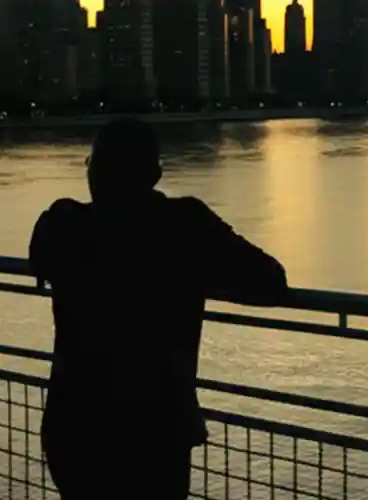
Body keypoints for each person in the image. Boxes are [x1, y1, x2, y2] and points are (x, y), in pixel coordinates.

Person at [28, 118, 288, 499]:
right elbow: (270, 281)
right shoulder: (184, 225)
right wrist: (196, 276)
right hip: (156, 426)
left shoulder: (63, 224)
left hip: (77, 426)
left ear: (95, 171)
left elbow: (40, 260)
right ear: (155, 173)